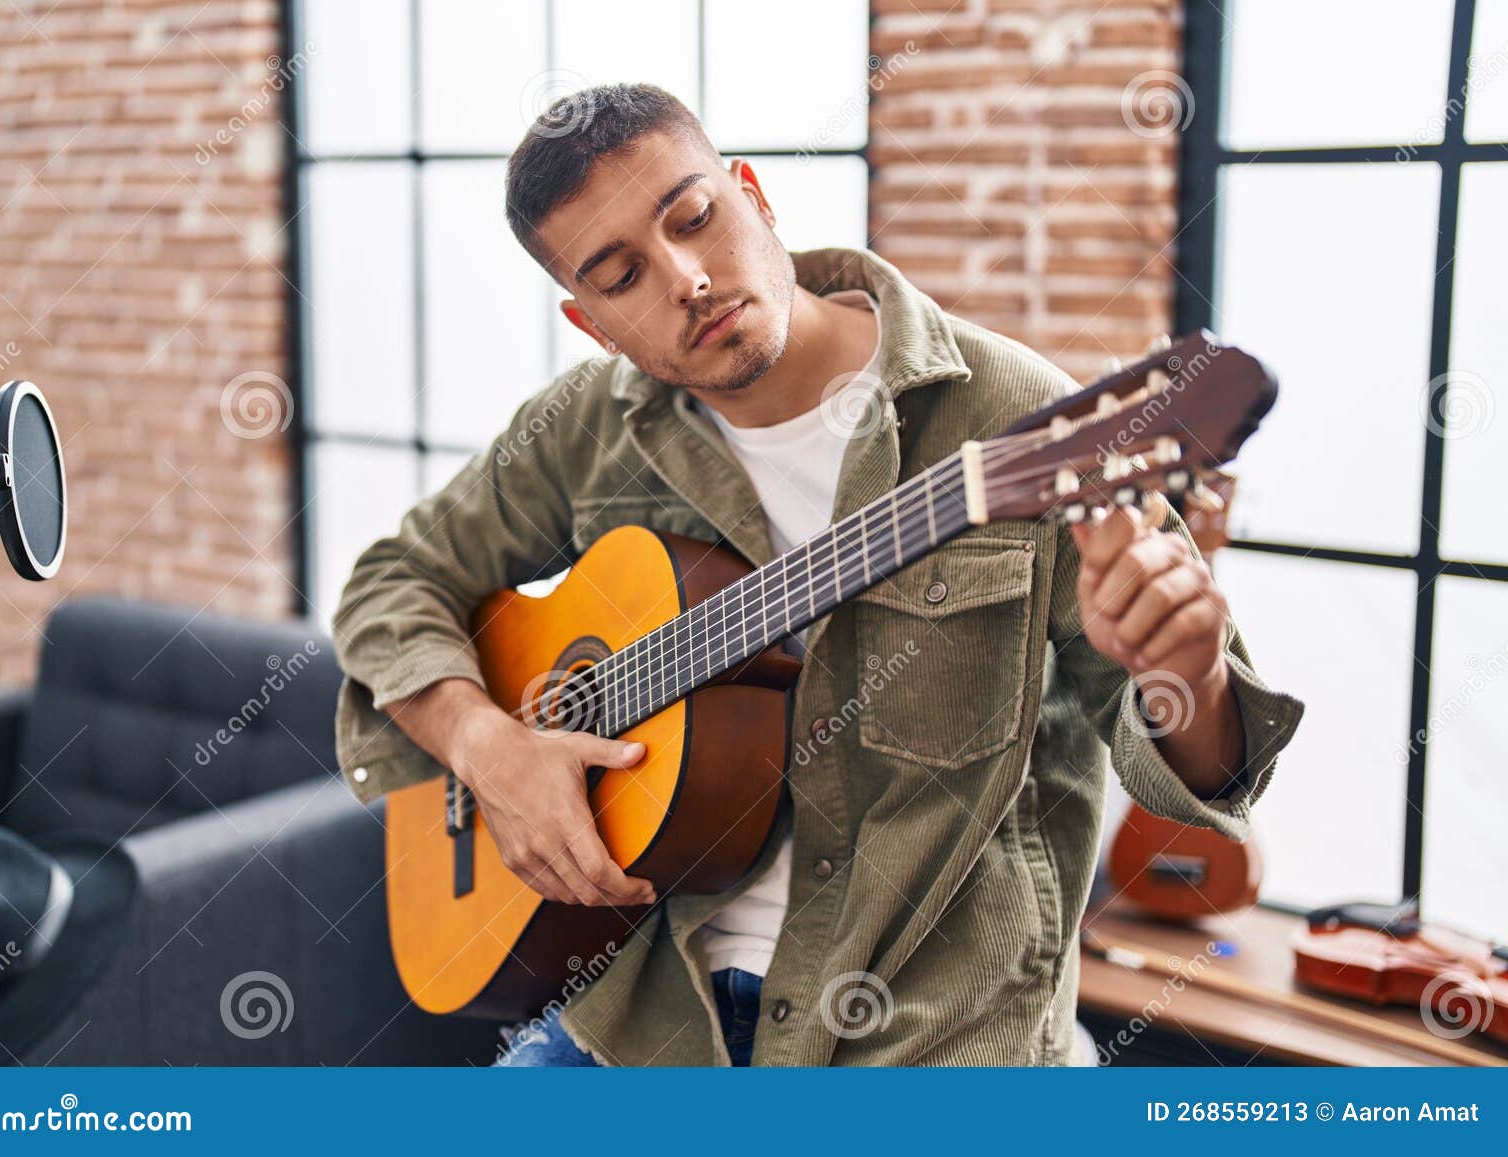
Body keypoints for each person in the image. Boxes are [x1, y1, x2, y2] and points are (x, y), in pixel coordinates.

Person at [330, 83, 1304, 1067]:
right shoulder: (587, 425)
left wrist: (1187, 671)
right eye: (623, 275)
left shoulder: (1021, 422)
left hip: (929, 1040)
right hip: (649, 1022)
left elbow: (1195, 774)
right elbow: (390, 586)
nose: (685, 279)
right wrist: (488, 745)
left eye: (695, 218)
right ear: (592, 324)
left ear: (753, 196)